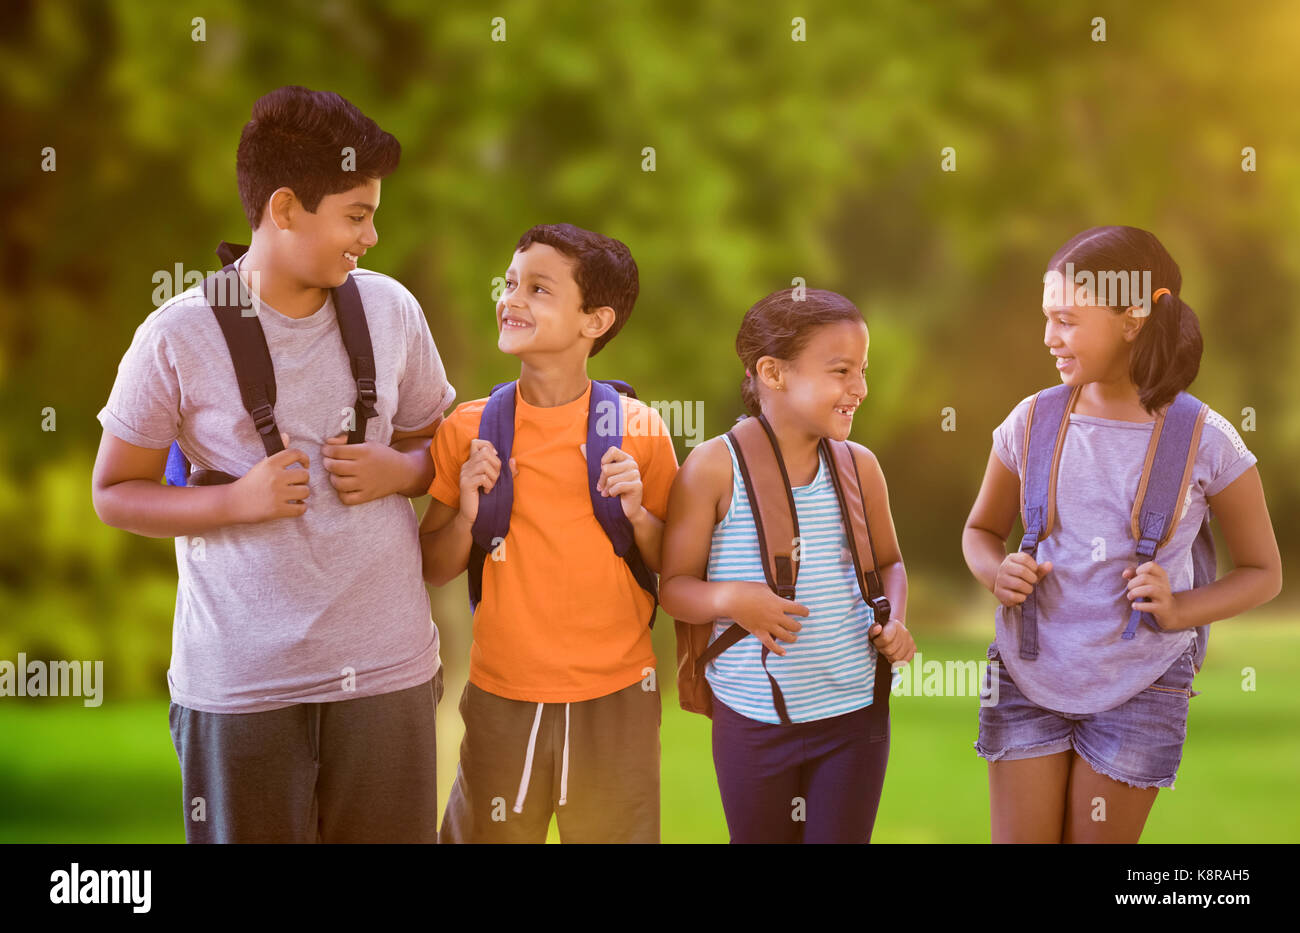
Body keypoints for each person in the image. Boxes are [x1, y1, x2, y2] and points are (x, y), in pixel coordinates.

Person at [91, 86, 455, 843]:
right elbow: (116, 492)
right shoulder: (174, 336)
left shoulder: (392, 311)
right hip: (240, 687)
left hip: (387, 675)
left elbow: (443, 445)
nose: (373, 236)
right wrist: (233, 502)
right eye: (356, 215)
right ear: (285, 208)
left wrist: (405, 472)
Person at [962, 225, 1283, 843]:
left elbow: (1263, 572)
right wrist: (993, 569)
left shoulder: (1205, 439)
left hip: (1142, 685)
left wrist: (1181, 606)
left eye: (1068, 320)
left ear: (1134, 315)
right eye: (1047, 318)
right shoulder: (1031, 421)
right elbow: (981, 529)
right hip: (1028, 674)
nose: (1049, 337)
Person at [421, 223, 678, 843]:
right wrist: (467, 514)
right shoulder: (469, 429)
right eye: (510, 284)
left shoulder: (640, 430)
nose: (511, 300)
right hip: (502, 696)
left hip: (617, 695)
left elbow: (676, 565)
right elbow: (432, 564)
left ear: (596, 320)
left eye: (538, 289)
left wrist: (641, 513)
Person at [659, 287, 914, 843]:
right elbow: (674, 587)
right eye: (841, 370)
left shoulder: (860, 468)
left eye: (863, 370)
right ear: (772, 373)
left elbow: (890, 564)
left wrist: (895, 621)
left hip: (855, 717)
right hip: (752, 723)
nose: (860, 389)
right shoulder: (712, 468)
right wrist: (732, 599)